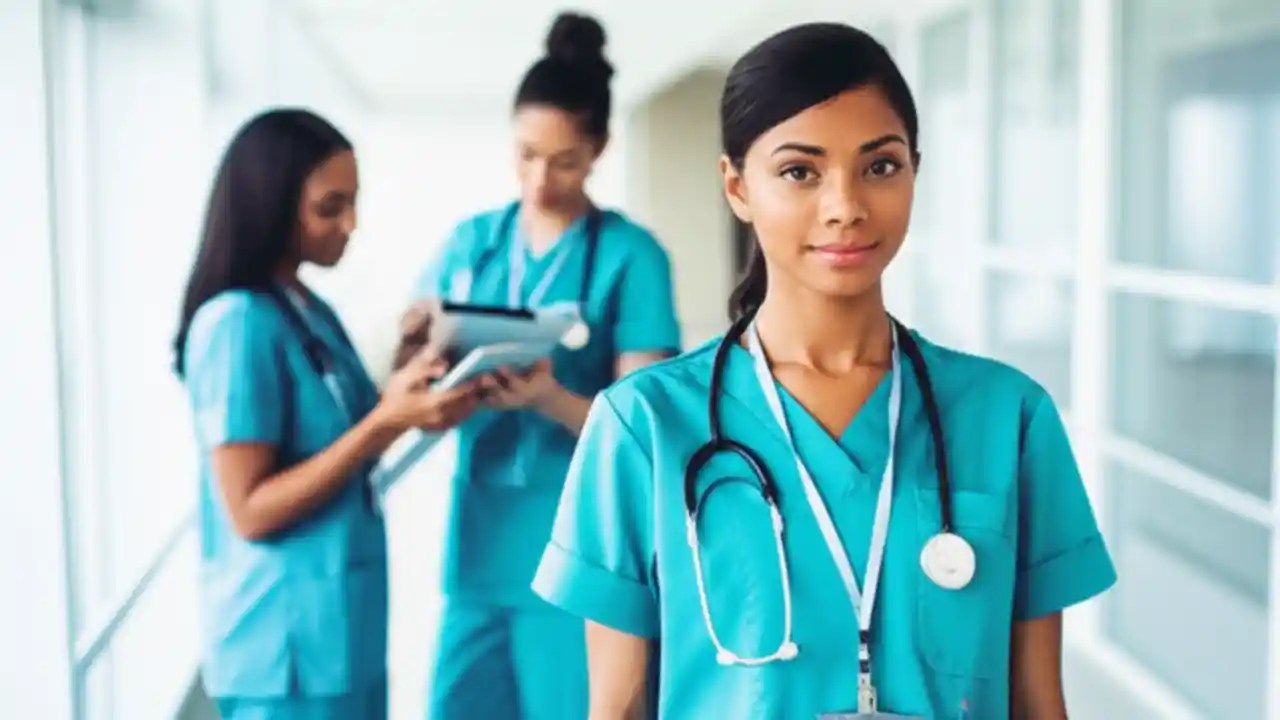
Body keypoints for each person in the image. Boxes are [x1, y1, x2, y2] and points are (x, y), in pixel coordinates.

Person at [532, 23, 1117, 720]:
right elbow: (619, 709)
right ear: (737, 186)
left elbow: (1038, 703)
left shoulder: (1008, 418)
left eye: (880, 166)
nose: (845, 206)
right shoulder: (644, 426)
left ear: (914, 173)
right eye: (799, 172)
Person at [394, 11, 682, 720]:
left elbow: (644, 436)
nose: (539, 178)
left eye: (563, 160)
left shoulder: (631, 257)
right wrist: (417, 346)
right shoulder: (473, 243)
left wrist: (549, 398)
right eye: (524, 154)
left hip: (580, 554)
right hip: (480, 547)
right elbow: (398, 378)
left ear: (599, 150)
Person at [174, 109, 482, 720]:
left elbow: (346, 437)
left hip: (341, 636)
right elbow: (251, 510)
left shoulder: (309, 310)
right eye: (330, 206)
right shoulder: (236, 324)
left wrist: (410, 373)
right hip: (281, 651)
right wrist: (384, 422)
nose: (350, 225)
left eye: (354, 203)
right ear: (273, 203)